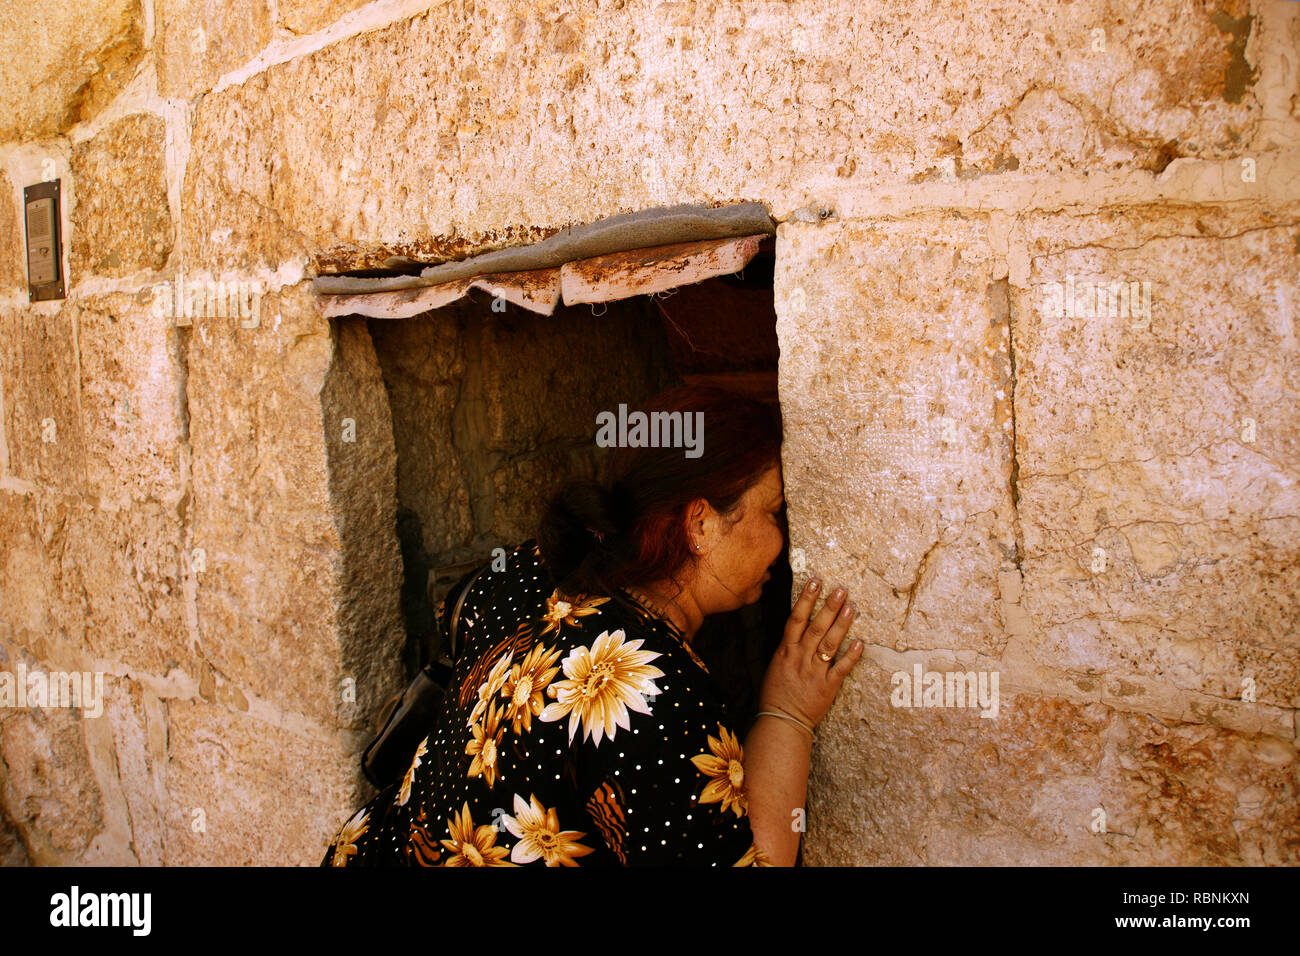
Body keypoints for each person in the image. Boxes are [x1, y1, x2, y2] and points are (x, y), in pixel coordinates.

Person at [322, 386, 862, 866]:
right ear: (700, 523)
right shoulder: (649, 695)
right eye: (775, 512)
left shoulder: (544, 570)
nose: (783, 541)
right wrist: (788, 714)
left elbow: (465, 608)